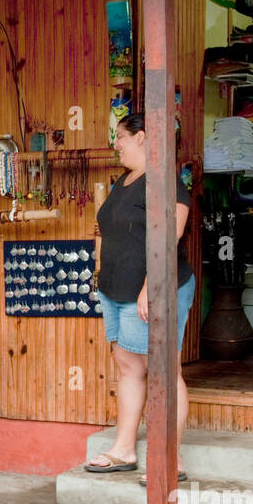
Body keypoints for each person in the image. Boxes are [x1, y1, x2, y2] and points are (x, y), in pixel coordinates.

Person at [85, 113, 194, 484]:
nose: (115, 144)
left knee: (164, 370)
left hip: (152, 290)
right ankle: (124, 449)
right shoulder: (123, 181)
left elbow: (170, 236)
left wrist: (151, 286)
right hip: (115, 289)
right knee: (128, 368)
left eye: (119, 137)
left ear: (142, 137)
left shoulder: (166, 182)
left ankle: (169, 459)